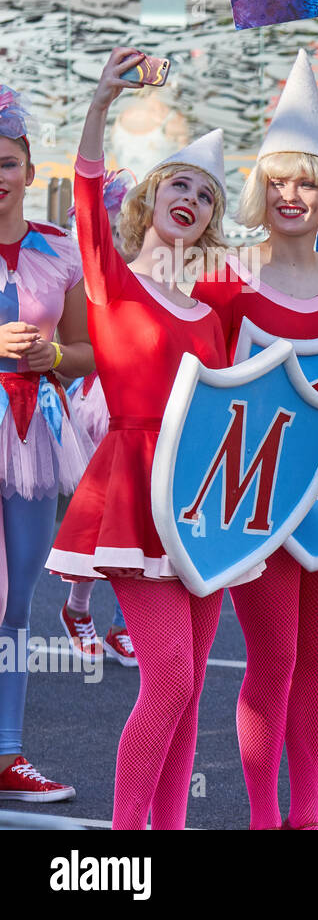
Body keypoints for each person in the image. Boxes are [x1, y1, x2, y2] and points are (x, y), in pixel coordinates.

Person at [45, 48, 242, 829]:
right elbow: (88, 194)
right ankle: (128, 841)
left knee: (191, 684)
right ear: (151, 200)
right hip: (133, 489)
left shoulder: (213, 315)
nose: (188, 197)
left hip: (203, 501)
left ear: (211, 219)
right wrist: (100, 103)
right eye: (176, 184)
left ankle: (171, 829)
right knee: (166, 678)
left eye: (203, 193)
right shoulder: (112, 277)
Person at [192, 50, 318, 830]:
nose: (291, 195)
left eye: (306, 181)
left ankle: (308, 818)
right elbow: (197, 388)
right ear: (258, 190)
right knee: (272, 659)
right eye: (277, 181)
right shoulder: (226, 276)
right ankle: (266, 819)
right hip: (254, 499)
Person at [0, 85, 95, 803]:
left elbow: (89, 350)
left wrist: (52, 361)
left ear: (29, 172)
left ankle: (7, 753)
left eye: (6, 162)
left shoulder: (59, 251)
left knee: (17, 603)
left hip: (32, 437)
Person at [59, 169, 136, 669]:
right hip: (99, 402)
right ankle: (79, 608)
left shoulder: (161, 270)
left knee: (148, 518)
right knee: (105, 515)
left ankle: (126, 625)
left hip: (152, 401)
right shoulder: (84, 280)